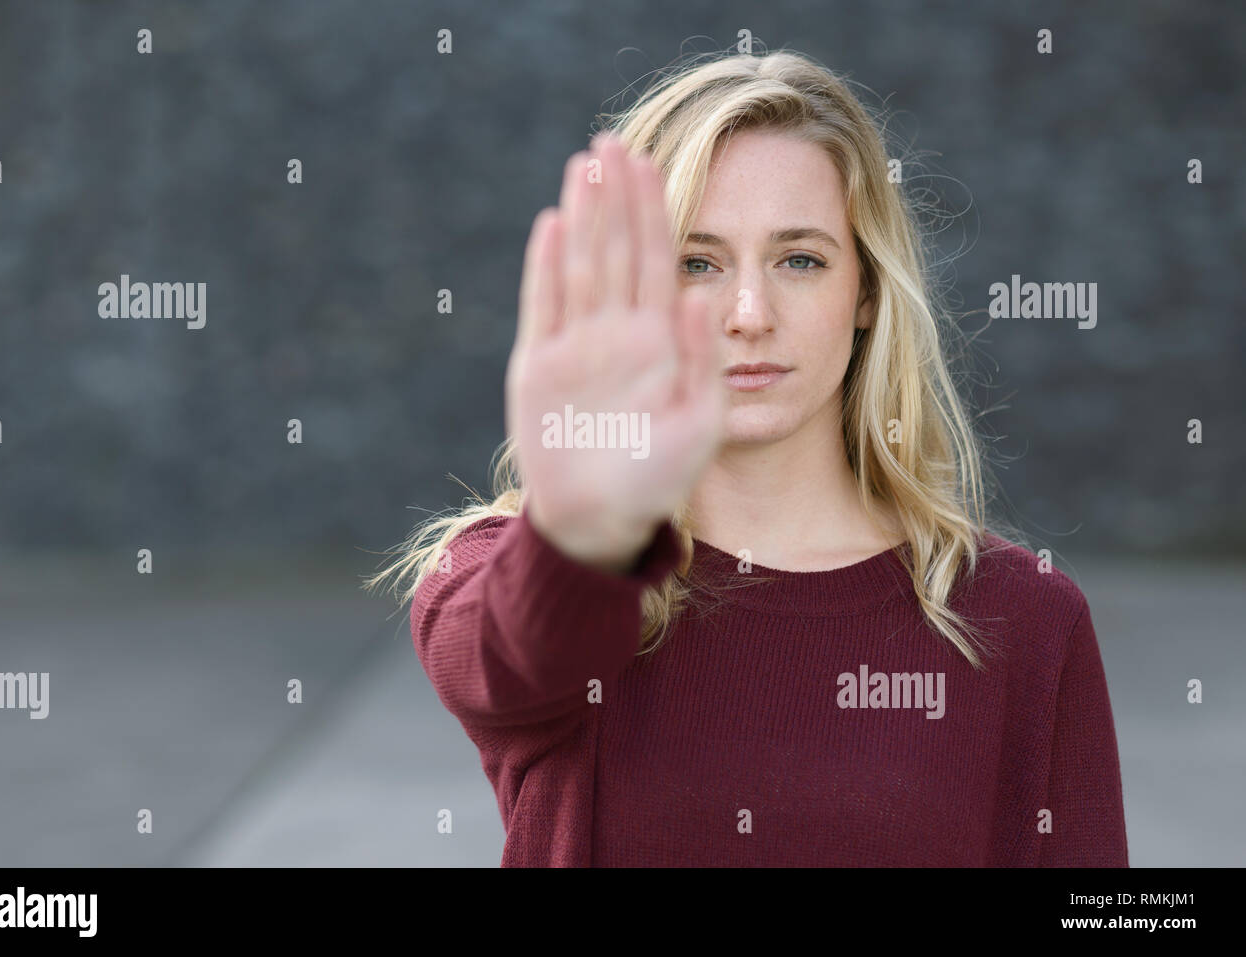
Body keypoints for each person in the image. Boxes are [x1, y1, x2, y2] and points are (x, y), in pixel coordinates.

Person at [366, 49, 1129, 867]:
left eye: (799, 259)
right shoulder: (510, 572)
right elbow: (508, 652)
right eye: (697, 262)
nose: (749, 313)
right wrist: (585, 522)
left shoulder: (1029, 617)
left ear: (866, 288)